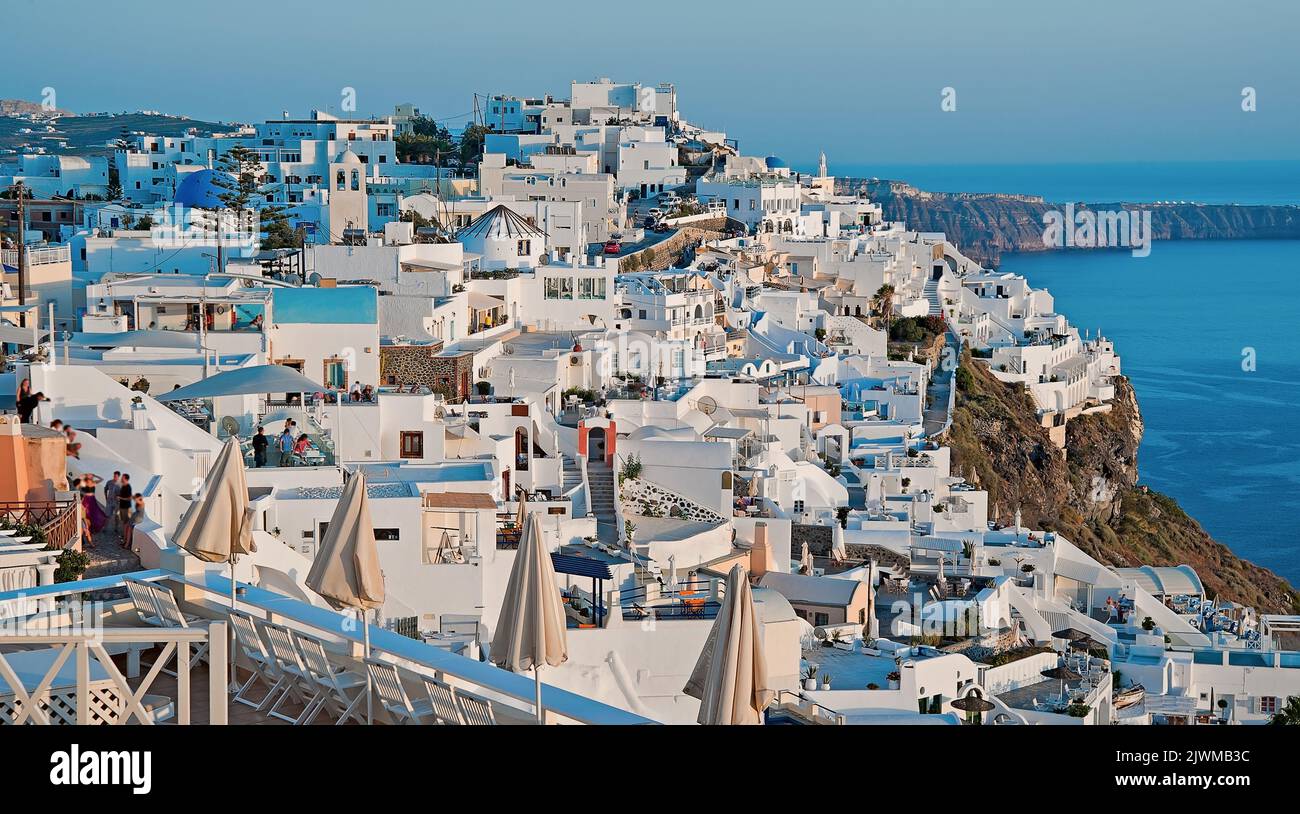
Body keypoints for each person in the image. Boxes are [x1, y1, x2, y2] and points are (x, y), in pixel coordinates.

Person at [117, 474, 133, 546]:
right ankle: (124, 540)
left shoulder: (128, 487)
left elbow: (129, 498)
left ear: (126, 479)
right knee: (124, 524)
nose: (121, 479)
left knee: (126, 524)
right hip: (122, 507)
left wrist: (120, 498)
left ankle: (126, 541)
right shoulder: (123, 486)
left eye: (122, 478)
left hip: (126, 508)